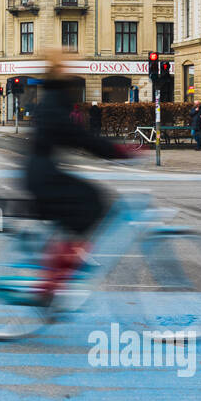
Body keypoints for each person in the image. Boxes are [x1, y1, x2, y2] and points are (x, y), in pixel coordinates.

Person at [24, 47, 140, 302]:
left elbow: (75, 136)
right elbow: (80, 138)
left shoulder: (53, 98)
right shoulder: (55, 101)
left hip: (41, 171)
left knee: (79, 213)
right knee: (94, 201)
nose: (73, 69)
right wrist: (118, 151)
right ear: (59, 71)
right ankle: (51, 281)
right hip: (42, 174)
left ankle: (58, 272)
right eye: (68, 65)